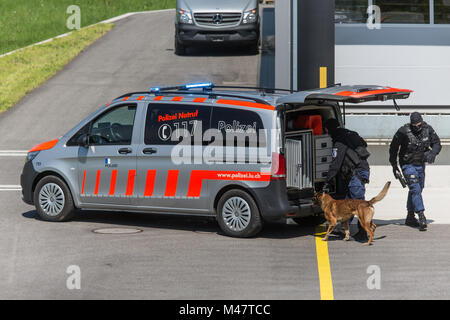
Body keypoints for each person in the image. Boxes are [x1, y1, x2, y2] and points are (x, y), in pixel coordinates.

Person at [389, 111, 441, 231]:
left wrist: (433, 153)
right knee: (415, 188)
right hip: (407, 164)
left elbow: (437, 143)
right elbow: (393, 148)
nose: (417, 127)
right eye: (414, 125)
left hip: (420, 164)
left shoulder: (428, 129)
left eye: (419, 124)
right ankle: (421, 215)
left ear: (421, 122)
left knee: (418, 188)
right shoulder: (403, 131)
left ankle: (410, 216)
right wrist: (394, 165)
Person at [323, 118, 371, 241]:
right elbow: (363, 145)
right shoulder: (350, 134)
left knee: (358, 203)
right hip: (358, 171)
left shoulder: (339, 141)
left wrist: (327, 181)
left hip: (357, 174)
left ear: (328, 129)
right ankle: (343, 229)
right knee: (347, 201)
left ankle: (364, 232)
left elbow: (335, 164)